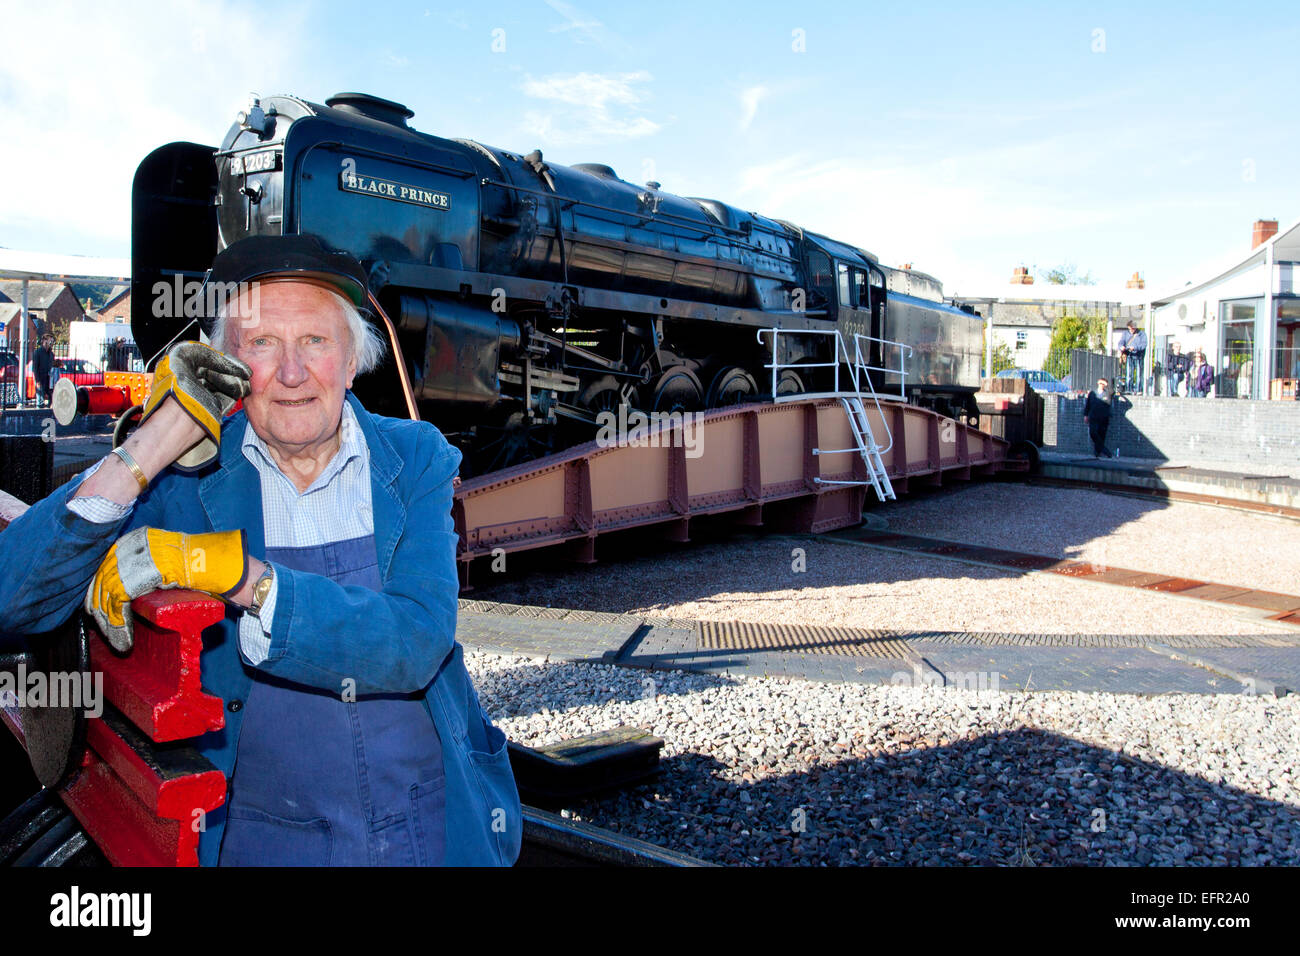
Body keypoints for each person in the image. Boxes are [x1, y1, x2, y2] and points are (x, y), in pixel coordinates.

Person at [0, 235, 520, 866]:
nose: (293, 373)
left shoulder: (415, 459)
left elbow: (414, 641)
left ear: (353, 361)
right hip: (266, 840)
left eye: (316, 342)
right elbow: (13, 601)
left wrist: (243, 580)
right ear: (229, 365)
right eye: (264, 344)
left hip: (429, 827)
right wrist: (151, 443)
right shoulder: (185, 479)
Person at [1083, 377, 1113, 458]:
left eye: (1103, 384)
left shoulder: (1107, 393)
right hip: (1093, 417)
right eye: (1100, 383)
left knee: (1101, 435)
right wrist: (1085, 415)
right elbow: (1088, 405)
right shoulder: (1092, 393)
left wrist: (1107, 385)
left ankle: (1097, 453)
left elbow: (1112, 392)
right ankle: (1105, 450)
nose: (1101, 385)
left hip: (1103, 418)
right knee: (1093, 433)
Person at [1118, 320, 1147, 395]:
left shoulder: (1142, 334)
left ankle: (1138, 390)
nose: (1131, 331)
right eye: (1129, 329)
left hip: (1138, 356)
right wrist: (1121, 346)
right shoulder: (1125, 333)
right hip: (1129, 356)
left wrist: (1135, 348)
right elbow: (1121, 341)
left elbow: (1144, 345)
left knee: (1139, 374)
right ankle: (1128, 389)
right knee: (1129, 374)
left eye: (1132, 329)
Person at [32, 333, 55, 406]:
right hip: (40, 378)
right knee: (40, 400)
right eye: (50, 341)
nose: (51, 343)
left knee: (51, 397)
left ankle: (48, 411)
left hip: (49, 379)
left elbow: (52, 366)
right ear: (44, 341)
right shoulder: (38, 352)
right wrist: (37, 380)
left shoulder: (51, 354)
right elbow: (35, 367)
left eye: (52, 341)